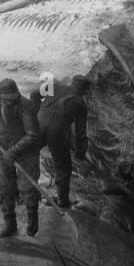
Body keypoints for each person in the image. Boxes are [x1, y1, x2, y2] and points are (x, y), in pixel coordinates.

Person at [0, 78, 42, 237]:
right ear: (2, 95)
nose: (11, 101)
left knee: (28, 189)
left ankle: (33, 223)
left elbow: (33, 135)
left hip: (27, 151)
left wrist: (14, 151)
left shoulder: (26, 106)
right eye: (7, 99)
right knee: (4, 187)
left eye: (13, 98)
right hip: (3, 146)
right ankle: (10, 224)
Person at [37, 74, 90, 208]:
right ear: (84, 91)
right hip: (57, 132)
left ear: (72, 83)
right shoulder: (81, 103)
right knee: (64, 168)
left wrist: (36, 112)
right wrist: (80, 155)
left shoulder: (55, 85)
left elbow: (34, 94)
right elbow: (80, 133)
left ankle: (18, 190)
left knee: (27, 154)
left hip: (39, 123)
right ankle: (62, 201)